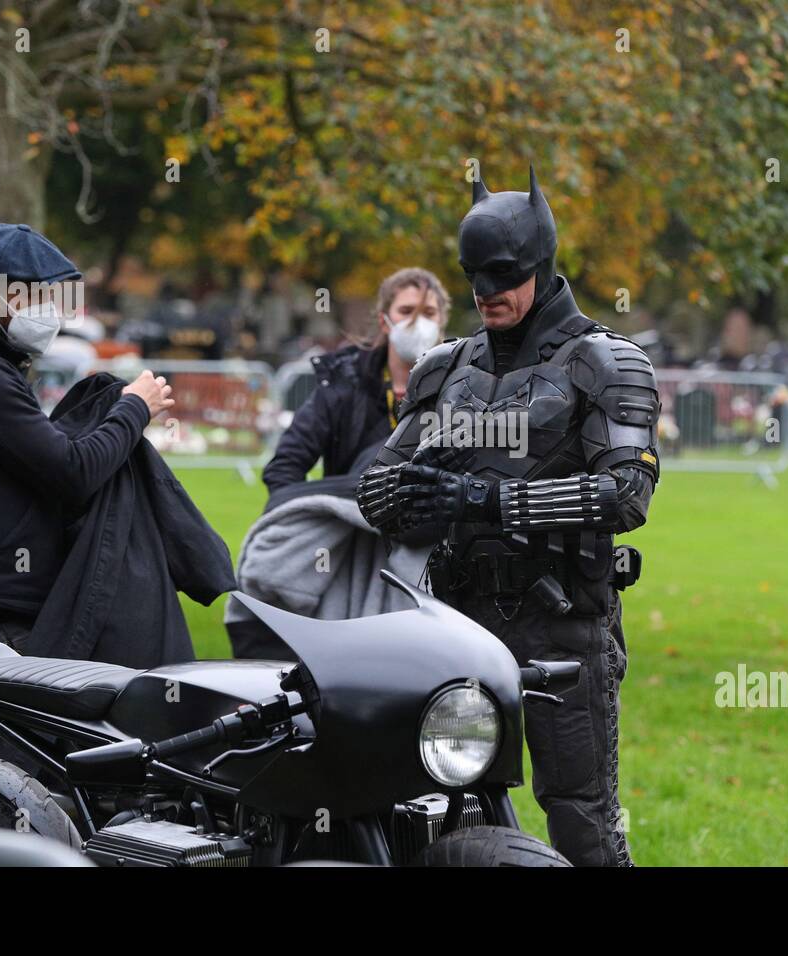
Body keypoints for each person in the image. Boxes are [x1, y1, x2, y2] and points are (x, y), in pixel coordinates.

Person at [357, 170, 661, 866]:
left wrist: (491, 502)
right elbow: (374, 490)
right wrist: (418, 487)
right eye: (473, 276)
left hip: (560, 624)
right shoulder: (444, 370)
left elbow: (625, 495)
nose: (484, 292)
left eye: (503, 274)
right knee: (440, 809)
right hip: (456, 625)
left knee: (582, 824)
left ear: (541, 265)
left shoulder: (607, 363)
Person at [0, 222, 175, 751]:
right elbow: (72, 472)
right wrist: (133, 408)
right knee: (34, 798)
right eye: (37, 295)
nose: (51, 309)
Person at [262, 268, 451, 494]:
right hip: (352, 519)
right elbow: (285, 466)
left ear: (441, 322)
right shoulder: (343, 383)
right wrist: (317, 516)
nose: (417, 323)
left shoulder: (460, 387)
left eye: (428, 313)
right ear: (384, 321)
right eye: (406, 311)